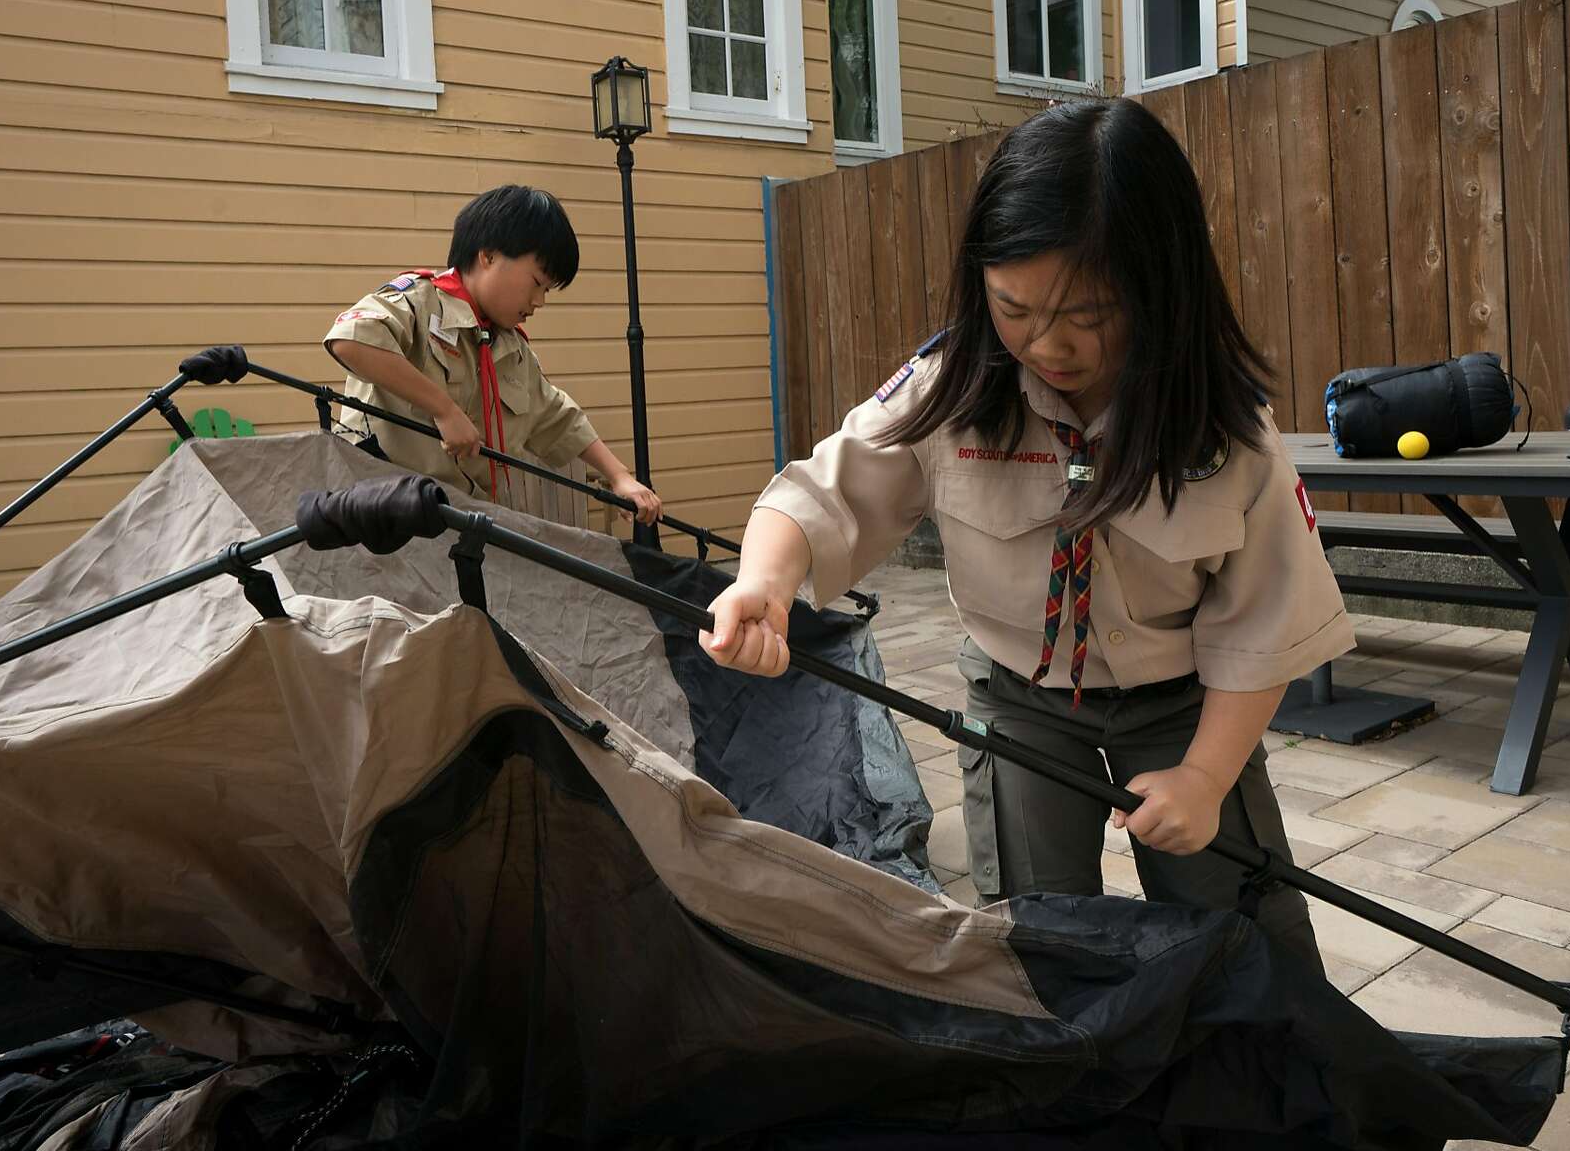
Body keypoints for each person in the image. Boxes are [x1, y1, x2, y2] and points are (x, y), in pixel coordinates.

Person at [698, 99, 1354, 970]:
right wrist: (764, 582)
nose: (1048, 344)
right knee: (1038, 933)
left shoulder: (1221, 428)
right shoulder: (954, 387)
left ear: (1162, 287)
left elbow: (1265, 624)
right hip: (1021, 695)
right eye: (1013, 307)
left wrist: (1204, 776)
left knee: (1235, 925)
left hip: (1186, 702)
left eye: (1089, 312)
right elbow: (825, 492)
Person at [324, 185, 663, 526]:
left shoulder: (511, 349)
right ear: (488, 256)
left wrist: (620, 477)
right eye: (536, 283)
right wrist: (443, 409)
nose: (539, 302)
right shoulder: (418, 303)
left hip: (456, 528)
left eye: (546, 291)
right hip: (380, 519)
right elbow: (351, 341)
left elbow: (559, 417)